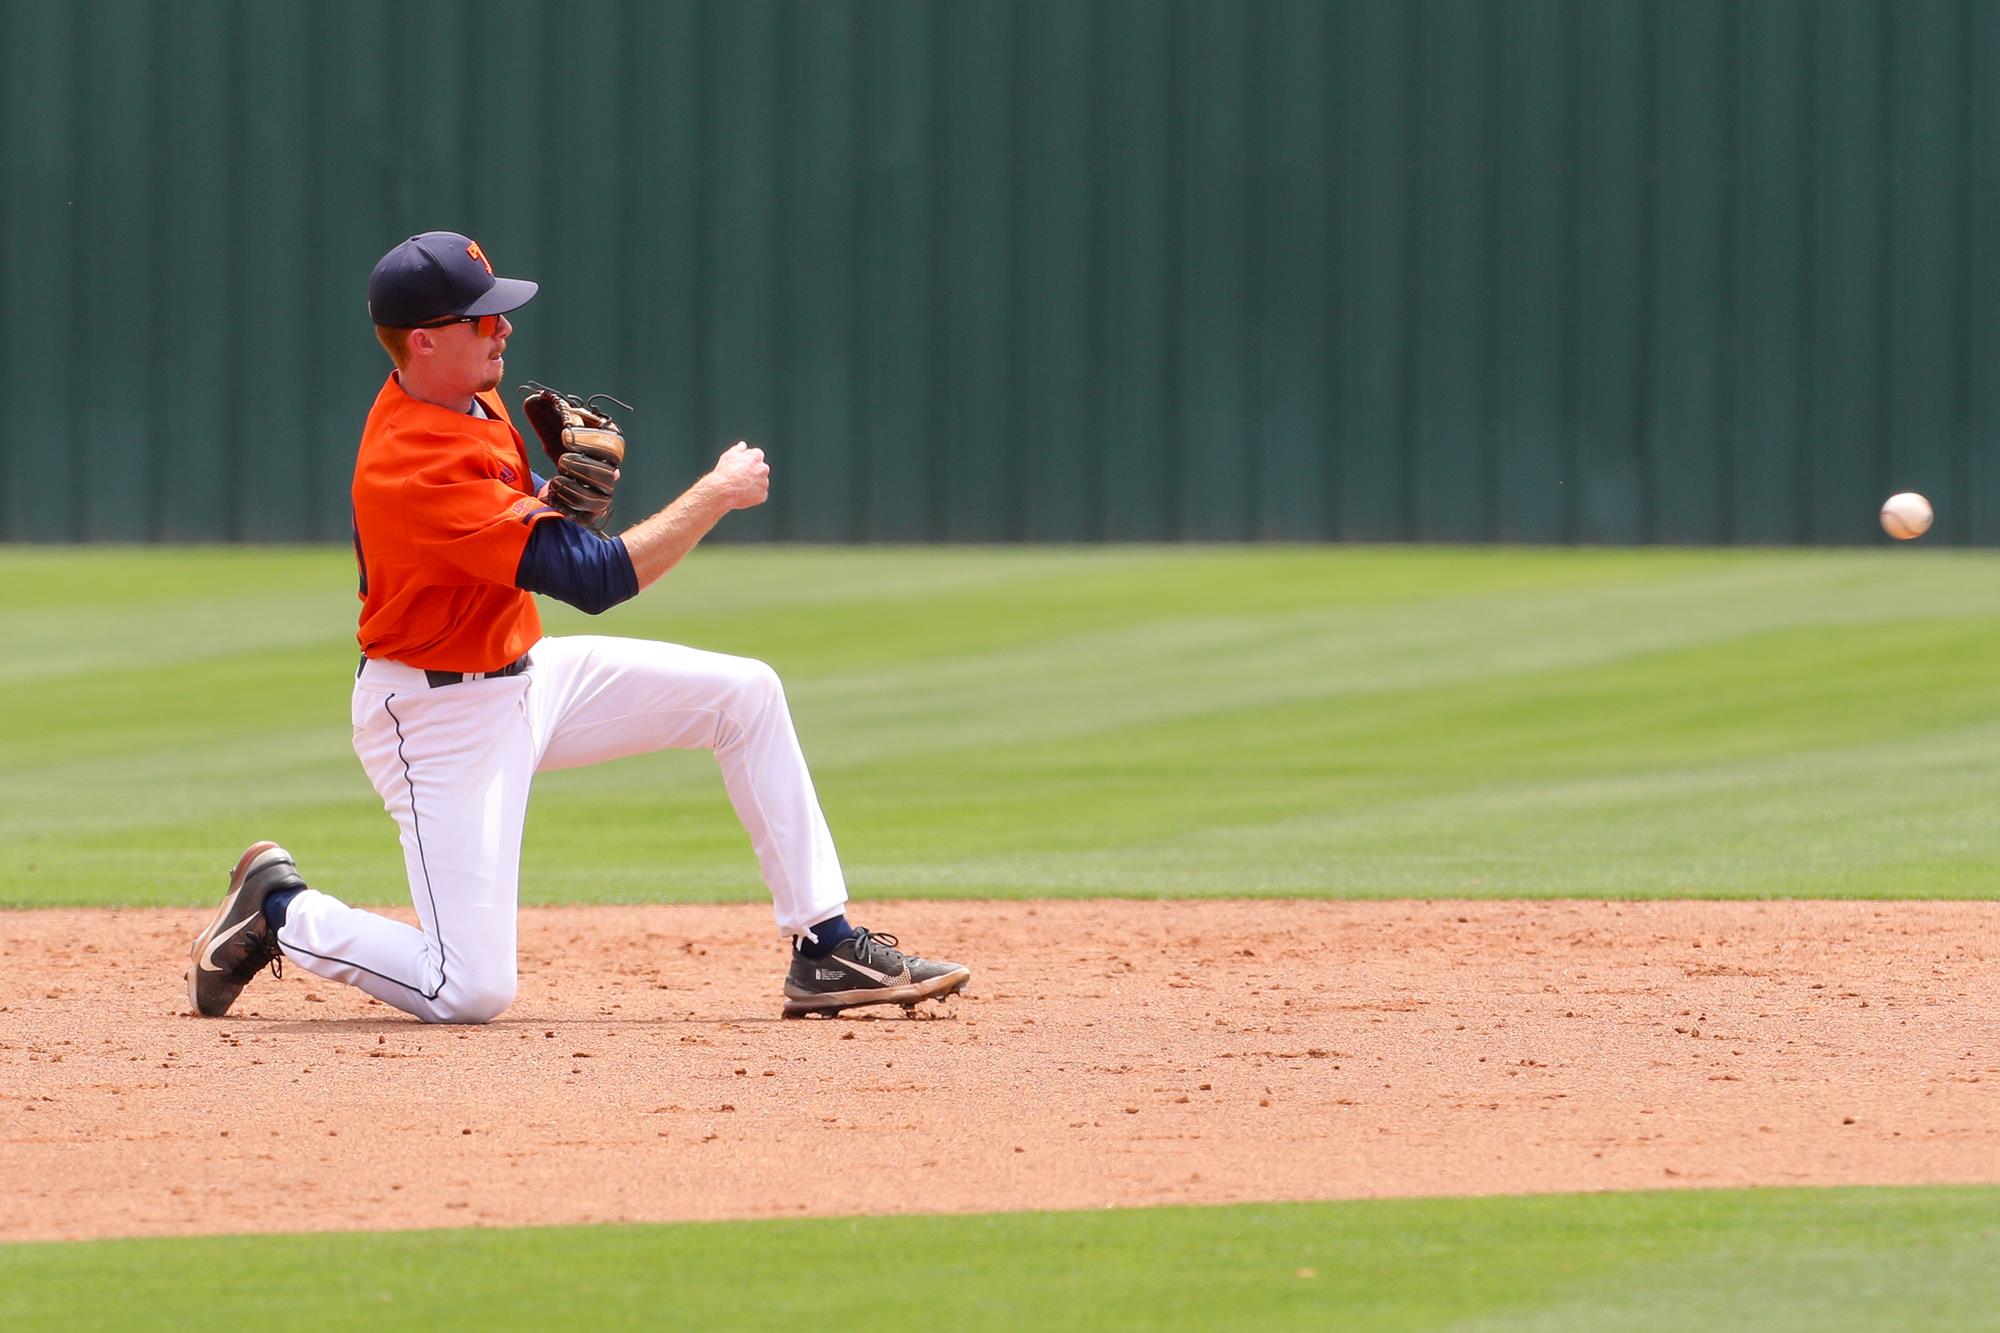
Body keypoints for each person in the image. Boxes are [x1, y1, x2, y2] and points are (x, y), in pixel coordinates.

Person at [186, 230, 969, 1024]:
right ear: (423, 341)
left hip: (528, 678)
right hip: (437, 720)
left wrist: (546, 495)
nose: (504, 329)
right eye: (482, 319)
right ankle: (279, 907)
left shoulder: (462, 395)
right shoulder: (412, 465)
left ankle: (825, 945)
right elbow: (597, 580)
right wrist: (717, 493)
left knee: (746, 695)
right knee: (467, 988)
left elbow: (514, 514)